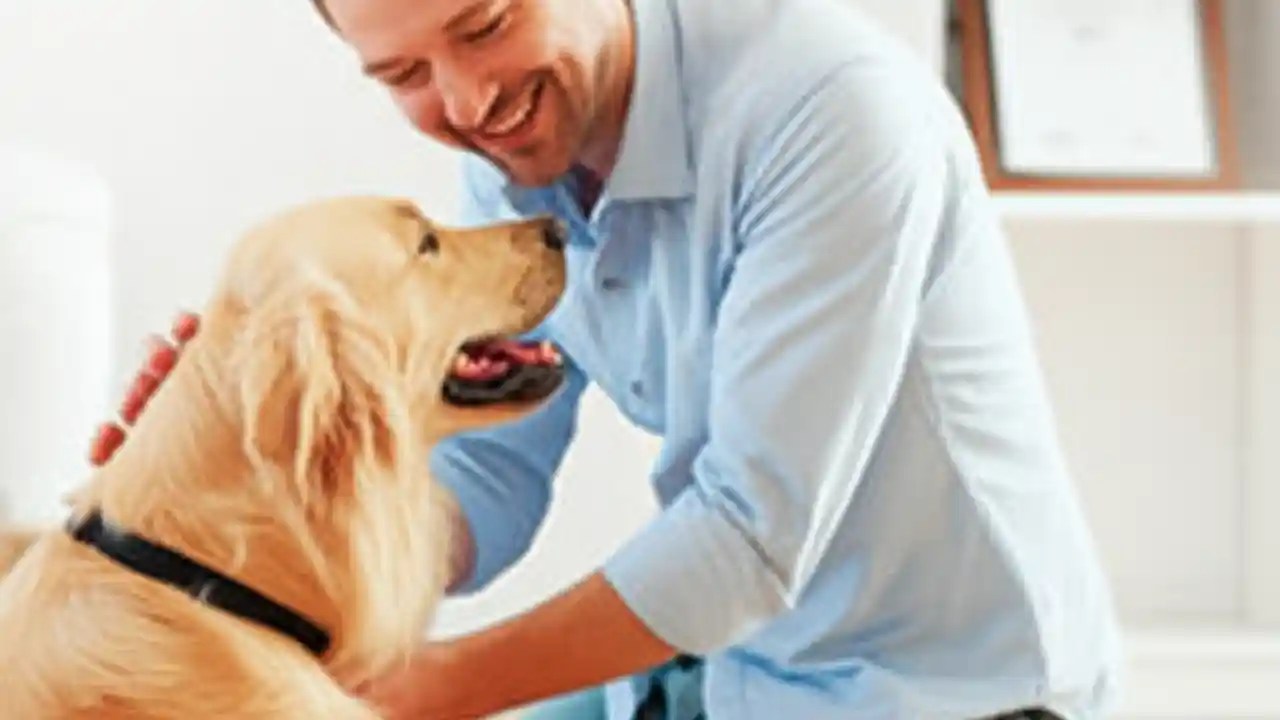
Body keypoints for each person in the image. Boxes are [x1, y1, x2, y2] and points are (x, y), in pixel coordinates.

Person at [92, 0, 1123, 718]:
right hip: (719, 678)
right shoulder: (519, 150)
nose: (466, 99)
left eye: (486, 24)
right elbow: (488, 480)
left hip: (938, 699)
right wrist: (250, 508)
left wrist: (435, 690)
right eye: (405, 74)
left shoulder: (827, 111)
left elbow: (745, 539)